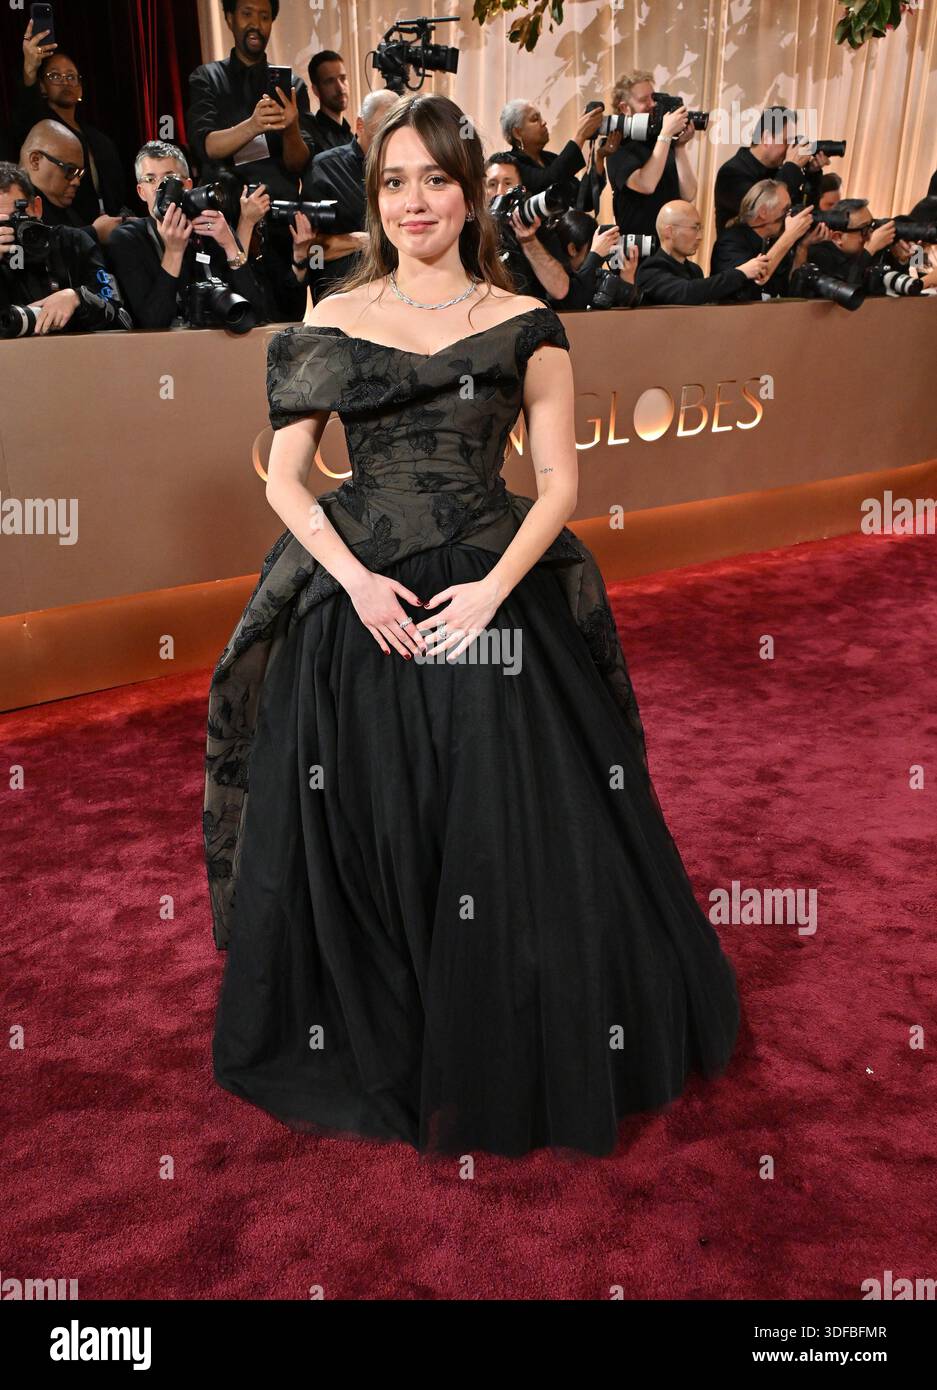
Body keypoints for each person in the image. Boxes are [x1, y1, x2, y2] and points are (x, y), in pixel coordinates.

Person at [205, 92, 740, 1159]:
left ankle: (505, 1015)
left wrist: (494, 589)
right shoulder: (331, 318)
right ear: (374, 195)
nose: (415, 202)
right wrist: (354, 583)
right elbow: (285, 483)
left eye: (436, 180)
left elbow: (555, 488)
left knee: (508, 820)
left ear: (471, 191)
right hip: (363, 597)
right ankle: (388, 1009)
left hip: (493, 595)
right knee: (372, 812)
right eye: (394, 181)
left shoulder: (525, 325)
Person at [105, 141, 272, 329]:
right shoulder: (127, 240)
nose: (161, 189)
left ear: (188, 185)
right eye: (150, 180)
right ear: (141, 192)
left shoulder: (211, 231)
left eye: (170, 179)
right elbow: (152, 323)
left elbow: (256, 314)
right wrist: (174, 252)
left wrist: (230, 245)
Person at [12, 18, 128, 226]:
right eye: (55, 76)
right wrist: (30, 67)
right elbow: (26, 109)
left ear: (81, 89)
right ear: (42, 87)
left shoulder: (101, 140)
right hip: (65, 228)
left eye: (71, 76)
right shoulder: (39, 125)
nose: (65, 81)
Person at [0, 161, 131, 334]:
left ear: (37, 208)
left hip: (77, 356)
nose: (8, 230)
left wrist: (77, 297)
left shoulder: (72, 243)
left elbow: (121, 319)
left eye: (15, 218)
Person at [300, 88, 399, 305]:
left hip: (394, 301)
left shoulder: (404, 174)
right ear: (360, 125)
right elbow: (310, 249)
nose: (386, 144)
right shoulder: (324, 168)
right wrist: (362, 241)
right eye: (380, 133)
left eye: (394, 135)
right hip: (339, 302)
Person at [605, 72, 697, 240]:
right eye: (644, 100)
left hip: (670, 248)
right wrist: (666, 135)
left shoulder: (660, 140)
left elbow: (688, 194)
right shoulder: (617, 145)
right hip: (637, 252)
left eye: (653, 97)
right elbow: (646, 184)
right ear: (625, 108)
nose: (653, 104)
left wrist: (680, 146)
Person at [714, 106, 830, 234]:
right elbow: (765, 208)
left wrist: (812, 175)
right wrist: (792, 167)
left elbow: (804, 213)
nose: (790, 148)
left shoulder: (780, 172)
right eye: (787, 141)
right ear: (766, 138)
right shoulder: (731, 173)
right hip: (742, 251)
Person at [710, 180, 830, 301]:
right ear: (763, 212)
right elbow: (749, 287)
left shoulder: (773, 240)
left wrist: (802, 247)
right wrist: (789, 236)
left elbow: (790, 291)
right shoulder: (730, 241)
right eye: (786, 210)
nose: (789, 216)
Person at [636, 200, 769, 305]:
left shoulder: (694, 270)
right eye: (694, 228)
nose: (700, 236)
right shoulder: (650, 269)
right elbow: (687, 293)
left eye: (701, 229)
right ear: (669, 232)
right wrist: (741, 272)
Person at [18, 120, 125, 246]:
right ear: (35, 161)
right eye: (70, 170)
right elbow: (30, 250)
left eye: (80, 173)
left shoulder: (67, 209)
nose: (76, 181)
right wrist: (93, 233)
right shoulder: (10, 202)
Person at [483, 152, 571, 301]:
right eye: (492, 184)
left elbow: (560, 289)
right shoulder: (469, 231)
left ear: (521, 190)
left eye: (508, 184)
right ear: (482, 191)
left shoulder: (536, 228)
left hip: (527, 318)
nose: (499, 192)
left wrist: (529, 241)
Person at [499, 99, 605, 210]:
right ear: (517, 132)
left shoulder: (550, 159)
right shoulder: (510, 164)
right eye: (535, 119)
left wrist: (599, 158)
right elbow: (547, 182)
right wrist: (579, 136)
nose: (544, 122)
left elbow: (584, 201)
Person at [299, 50, 355, 160]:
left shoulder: (350, 136)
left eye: (343, 78)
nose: (340, 88)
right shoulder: (312, 139)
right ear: (315, 90)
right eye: (330, 81)